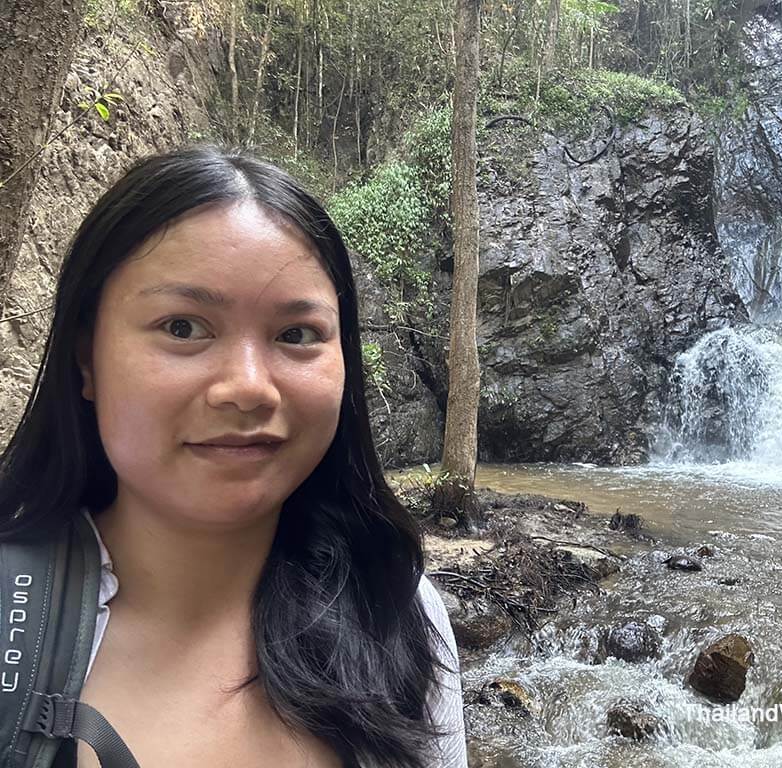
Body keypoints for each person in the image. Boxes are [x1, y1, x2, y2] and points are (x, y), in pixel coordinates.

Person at [0, 147, 468, 767]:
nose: (248, 386)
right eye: (183, 327)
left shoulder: (394, 608)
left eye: (295, 335)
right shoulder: (13, 614)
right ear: (87, 358)